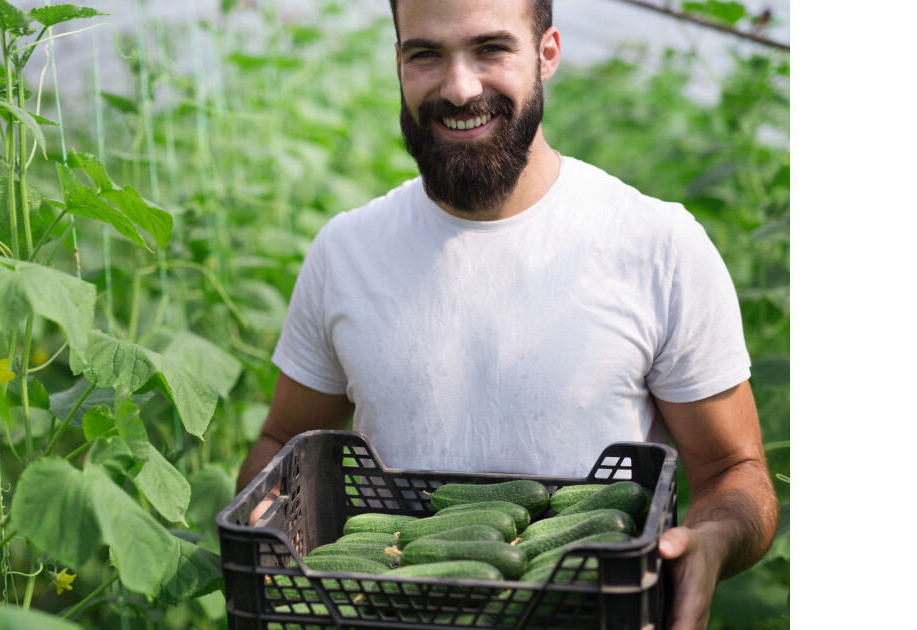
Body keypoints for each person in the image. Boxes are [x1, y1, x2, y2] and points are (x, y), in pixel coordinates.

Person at [236, 1, 779, 628]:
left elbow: (733, 470)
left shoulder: (657, 245)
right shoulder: (345, 252)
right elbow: (281, 441)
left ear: (546, 53)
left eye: (491, 49)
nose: (460, 87)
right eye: (426, 54)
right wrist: (269, 513)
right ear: (399, 63)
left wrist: (709, 542)